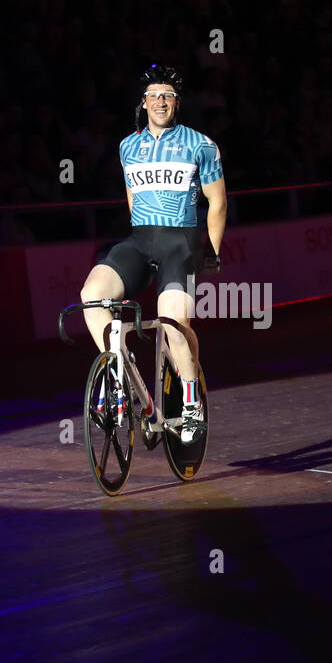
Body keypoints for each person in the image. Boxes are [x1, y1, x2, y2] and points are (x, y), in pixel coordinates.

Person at [79, 64, 227, 443]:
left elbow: (217, 202)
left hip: (181, 243)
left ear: (177, 102)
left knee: (173, 321)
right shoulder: (127, 146)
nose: (160, 101)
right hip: (141, 239)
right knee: (91, 296)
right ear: (143, 103)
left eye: (168, 96)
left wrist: (210, 251)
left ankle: (191, 401)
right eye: (154, 96)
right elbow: (132, 200)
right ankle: (119, 376)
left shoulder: (201, 144)